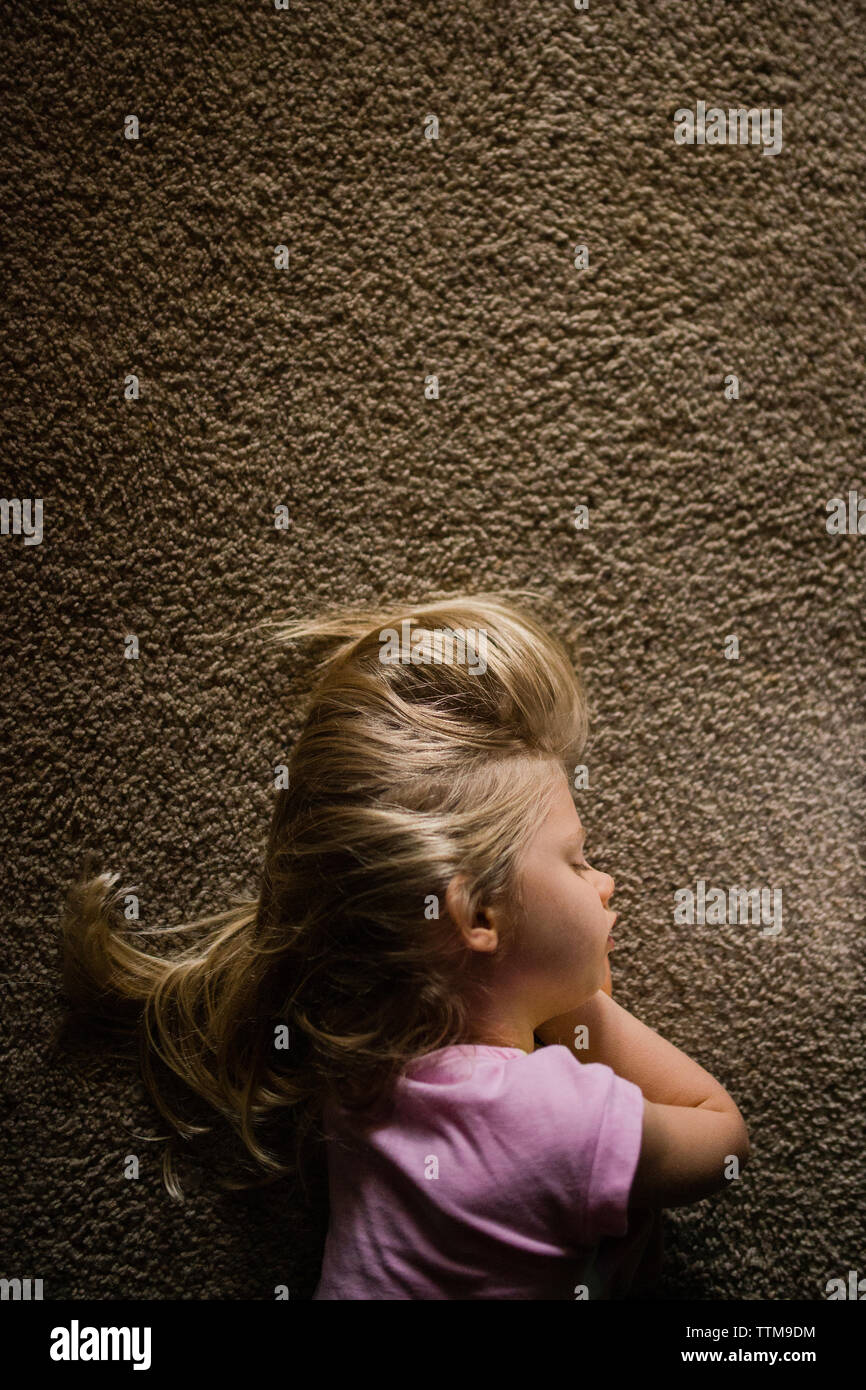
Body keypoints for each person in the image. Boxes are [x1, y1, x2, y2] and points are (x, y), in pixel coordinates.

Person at [61, 591, 750, 1299]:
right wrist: (577, 1008)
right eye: (577, 860)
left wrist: (539, 976)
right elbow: (722, 1134)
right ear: (479, 915)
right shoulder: (559, 1120)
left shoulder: (362, 1080)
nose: (606, 882)